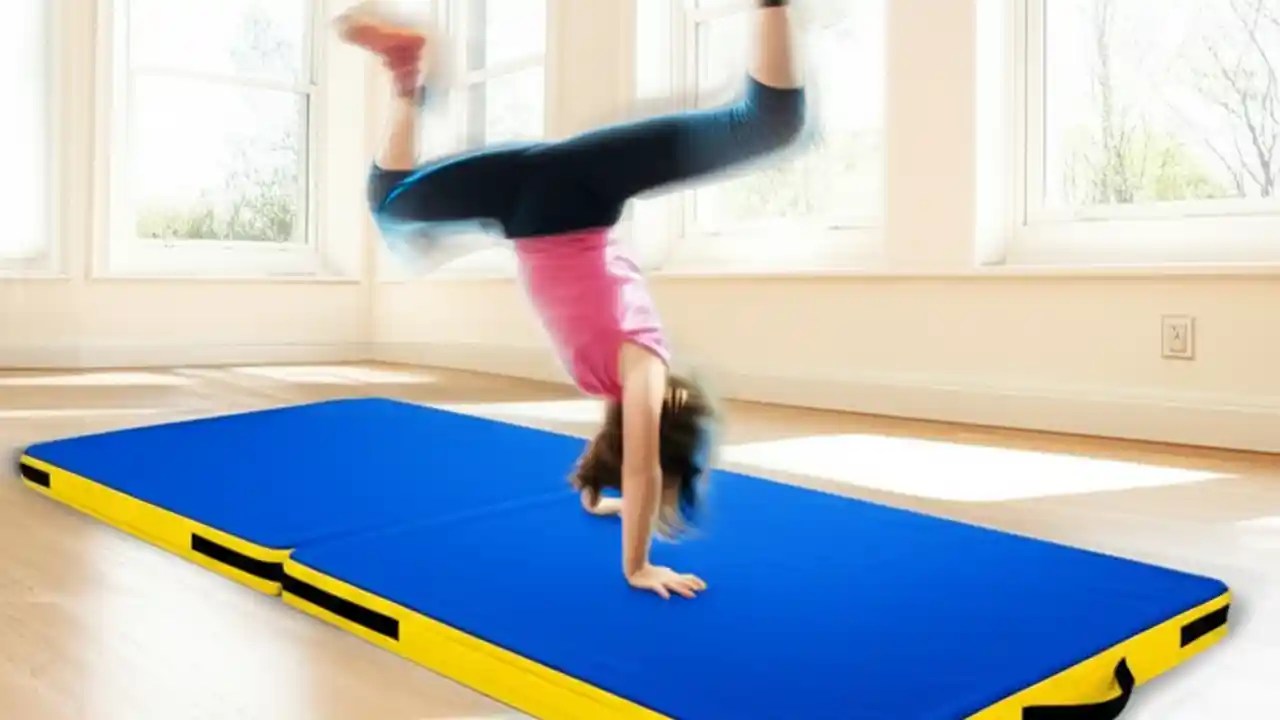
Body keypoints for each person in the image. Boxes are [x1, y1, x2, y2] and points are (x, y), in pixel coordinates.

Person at [336, 0, 805, 600]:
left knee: (388, 204)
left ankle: (406, 77)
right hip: (554, 198)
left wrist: (601, 500)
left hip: (544, 191)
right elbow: (642, 466)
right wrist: (636, 565)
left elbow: (627, 463)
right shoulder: (642, 365)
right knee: (767, 124)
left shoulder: (622, 375)